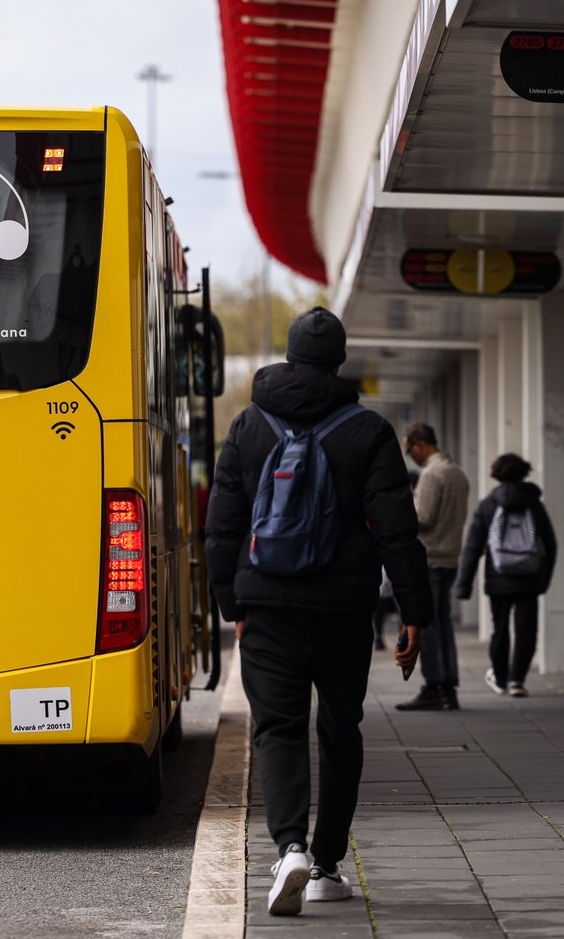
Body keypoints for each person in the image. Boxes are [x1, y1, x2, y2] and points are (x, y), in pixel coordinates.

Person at [205, 307, 432, 917]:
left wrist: (233, 603)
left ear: (288, 354)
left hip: (268, 603)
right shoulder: (369, 430)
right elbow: (396, 528)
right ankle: (329, 864)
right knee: (339, 729)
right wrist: (415, 612)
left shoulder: (249, 425)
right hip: (342, 608)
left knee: (277, 728)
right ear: (339, 361)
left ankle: (290, 848)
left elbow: (222, 523)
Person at [453, 452, 556, 698]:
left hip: (498, 578)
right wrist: (544, 579)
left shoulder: (488, 505)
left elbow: (472, 548)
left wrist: (463, 585)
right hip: (529, 579)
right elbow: (550, 544)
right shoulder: (534, 504)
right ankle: (517, 680)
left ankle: (499, 677)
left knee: (499, 629)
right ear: (524, 472)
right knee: (526, 630)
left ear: (496, 474)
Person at [395, 423, 470, 711]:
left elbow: (422, 518)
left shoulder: (431, 475)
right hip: (450, 557)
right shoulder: (457, 473)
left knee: (425, 625)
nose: (410, 455)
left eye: (409, 449)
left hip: (430, 558)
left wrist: (400, 514)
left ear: (420, 444)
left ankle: (433, 686)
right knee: (443, 623)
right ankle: (449, 685)